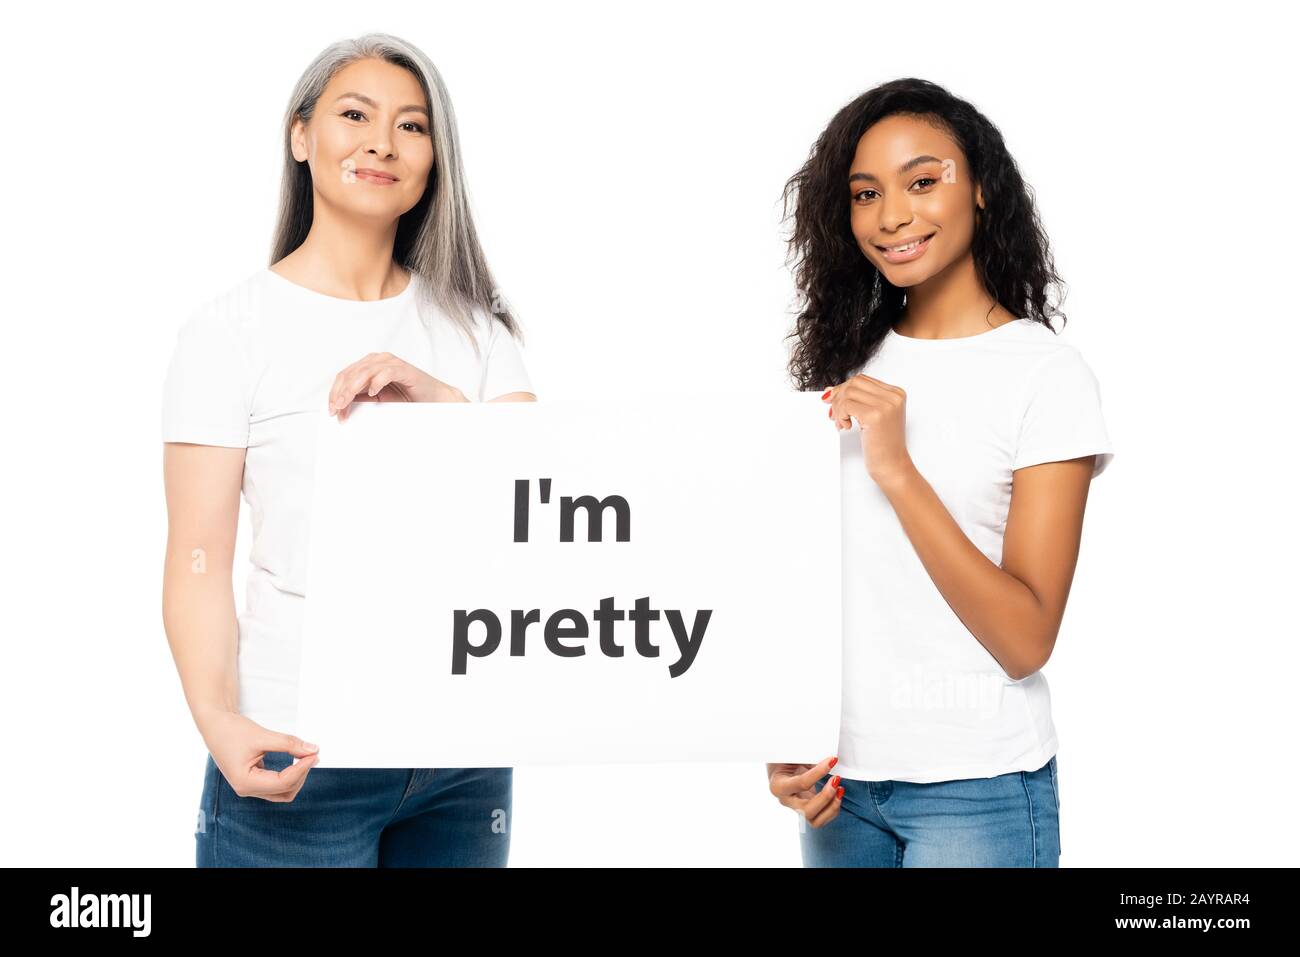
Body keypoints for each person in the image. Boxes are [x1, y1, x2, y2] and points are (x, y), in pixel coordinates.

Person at [160, 33, 536, 867]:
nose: (381, 142)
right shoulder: (228, 334)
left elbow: (541, 510)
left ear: (435, 159)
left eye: (411, 125)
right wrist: (219, 721)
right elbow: (196, 557)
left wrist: (439, 401)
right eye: (354, 115)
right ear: (302, 137)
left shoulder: (477, 332)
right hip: (297, 749)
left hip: (462, 752)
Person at [767, 78, 1113, 867]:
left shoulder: (1045, 374)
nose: (890, 216)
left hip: (977, 788)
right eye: (865, 193)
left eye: (923, 181)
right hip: (840, 790)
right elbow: (817, 582)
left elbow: (1026, 638)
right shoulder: (844, 364)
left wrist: (898, 471)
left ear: (982, 189)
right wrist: (784, 733)